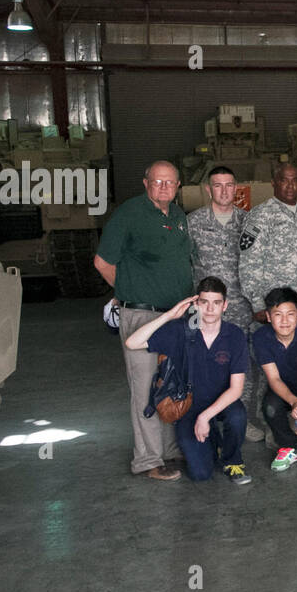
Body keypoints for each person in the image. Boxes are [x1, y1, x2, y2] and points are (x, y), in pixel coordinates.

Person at [94, 159, 194, 481]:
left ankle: (169, 451)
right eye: (157, 181)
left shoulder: (178, 217)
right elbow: (102, 262)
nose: (164, 187)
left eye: (170, 182)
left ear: (178, 187)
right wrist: (128, 291)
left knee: (169, 382)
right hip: (142, 315)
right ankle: (149, 460)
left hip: (175, 315)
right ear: (145, 182)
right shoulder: (129, 214)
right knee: (144, 388)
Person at [123, 277, 250, 484]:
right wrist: (169, 315)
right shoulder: (180, 330)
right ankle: (213, 443)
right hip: (189, 405)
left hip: (222, 402)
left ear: (224, 305)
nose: (210, 309)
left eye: (216, 303)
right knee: (201, 474)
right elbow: (132, 342)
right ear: (195, 304)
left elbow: (236, 390)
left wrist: (205, 417)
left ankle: (233, 460)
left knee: (237, 417)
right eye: (204, 302)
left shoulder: (234, 335)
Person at [187, 165, 265, 442]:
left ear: (237, 189)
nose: (223, 191)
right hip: (204, 309)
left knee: (241, 365)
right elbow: (184, 264)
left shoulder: (249, 223)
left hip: (240, 306)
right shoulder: (192, 223)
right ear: (209, 189)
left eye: (229, 185)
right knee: (203, 365)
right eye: (217, 185)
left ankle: (241, 421)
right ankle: (203, 419)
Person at [239, 163, 297, 331]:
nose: (290, 186)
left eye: (295, 180)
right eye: (284, 180)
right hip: (277, 311)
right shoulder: (260, 216)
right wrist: (257, 305)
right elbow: (249, 263)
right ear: (273, 183)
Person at [253, 286, 297, 472]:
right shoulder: (261, 338)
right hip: (284, 391)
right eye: (277, 315)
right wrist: (294, 402)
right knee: (270, 406)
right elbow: (274, 379)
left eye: (290, 314)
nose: (284, 321)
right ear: (268, 317)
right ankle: (290, 447)